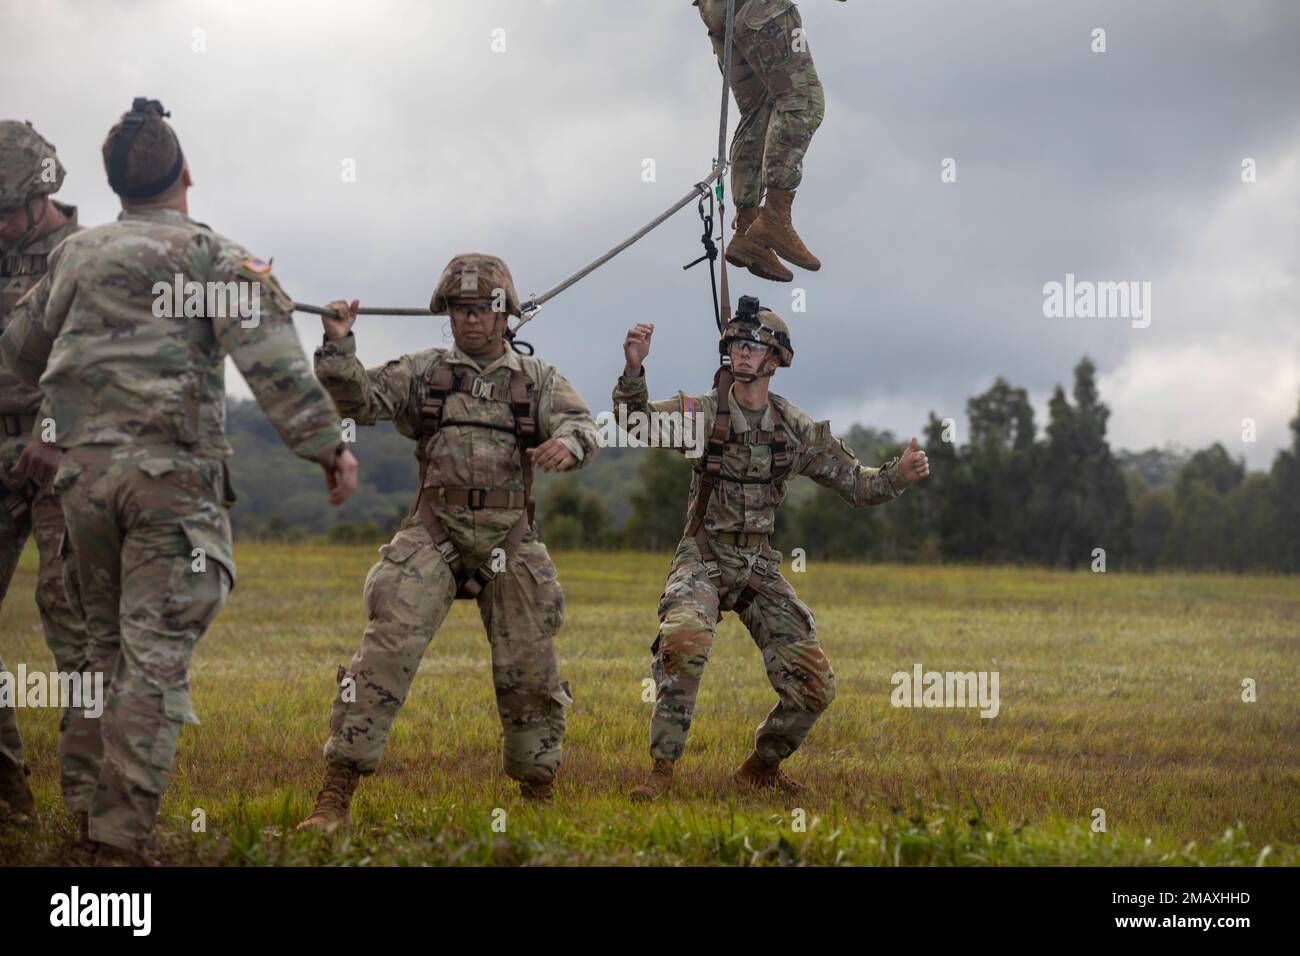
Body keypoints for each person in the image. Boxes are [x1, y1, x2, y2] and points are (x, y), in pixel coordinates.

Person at [0, 98, 357, 863]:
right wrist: (328, 447)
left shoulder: (76, 255)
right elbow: (272, 363)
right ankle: (118, 850)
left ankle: (90, 821)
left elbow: (20, 353)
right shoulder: (217, 260)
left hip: (84, 486)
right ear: (185, 174)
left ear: (112, 186)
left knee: (102, 655)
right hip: (170, 486)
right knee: (152, 661)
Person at [298, 253, 601, 832]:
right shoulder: (425, 371)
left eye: (483, 308)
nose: (471, 319)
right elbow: (357, 399)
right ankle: (334, 798)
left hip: (509, 540)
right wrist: (339, 346)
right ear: (448, 313)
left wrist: (571, 445)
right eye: (461, 309)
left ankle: (538, 798)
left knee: (532, 671)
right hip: (432, 531)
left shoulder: (535, 380)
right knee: (382, 654)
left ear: (505, 313)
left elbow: (583, 424)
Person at [613, 300, 929, 799]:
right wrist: (635, 369)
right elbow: (636, 425)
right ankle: (661, 773)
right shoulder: (702, 414)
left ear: (775, 360)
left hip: (759, 565)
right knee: (684, 640)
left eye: (753, 345)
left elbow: (856, 484)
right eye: (736, 343)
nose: (741, 352)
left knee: (815, 684)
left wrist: (899, 475)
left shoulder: (793, 427)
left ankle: (761, 767)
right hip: (705, 558)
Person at [0, 119, 89, 826]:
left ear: (41, 194)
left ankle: (93, 811)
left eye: (5, 211)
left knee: (74, 627)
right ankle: (7, 791)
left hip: (65, 459)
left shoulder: (86, 256)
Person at [695, 0, 844, 281]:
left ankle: (749, 227)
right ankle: (775, 215)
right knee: (803, 100)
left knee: (760, 109)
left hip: (718, 10)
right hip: (756, 8)